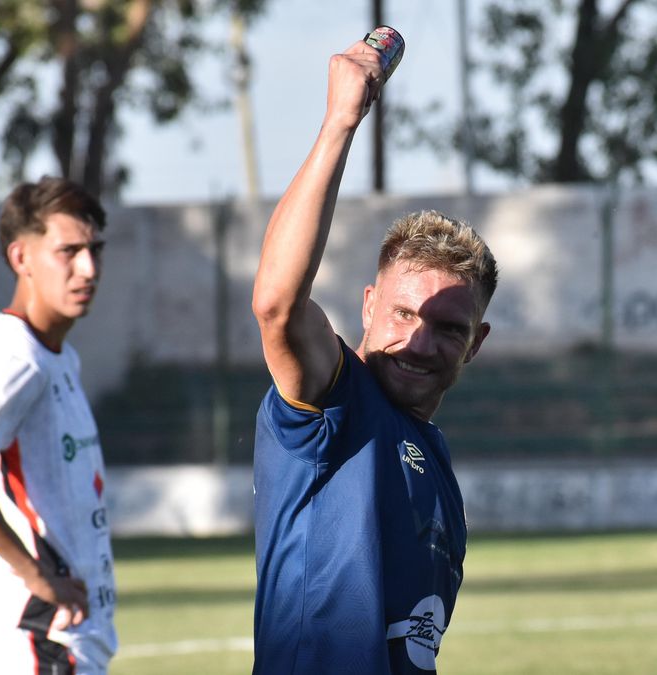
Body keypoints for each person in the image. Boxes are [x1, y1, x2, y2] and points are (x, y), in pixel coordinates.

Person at [250, 38, 498, 674]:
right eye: (403, 314)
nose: (417, 343)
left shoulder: (431, 452)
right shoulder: (333, 401)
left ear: (477, 343)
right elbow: (277, 303)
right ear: (367, 307)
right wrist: (339, 123)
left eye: (447, 328)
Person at [0, 177, 117, 674]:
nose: (89, 268)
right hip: (40, 635)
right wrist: (35, 574)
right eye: (68, 251)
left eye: (94, 249)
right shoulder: (13, 356)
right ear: (21, 258)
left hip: (67, 635)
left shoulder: (56, 356)